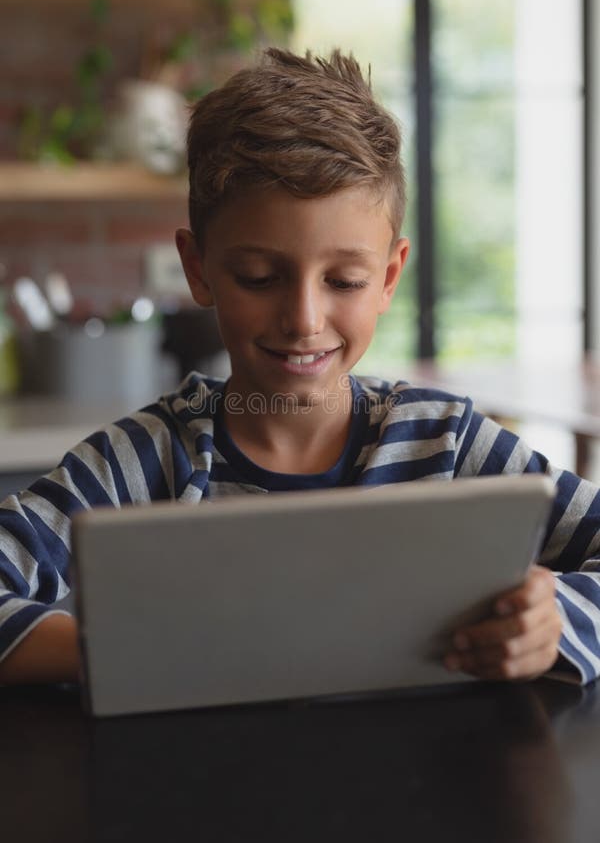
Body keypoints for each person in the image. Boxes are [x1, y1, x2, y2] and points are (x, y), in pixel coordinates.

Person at [0, 49, 597, 687]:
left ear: (389, 277)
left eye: (344, 280)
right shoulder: (140, 463)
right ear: (199, 270)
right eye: (260, 277)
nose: (305, 318)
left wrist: (553, 620)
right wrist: (137, 650)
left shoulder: (445, 440)